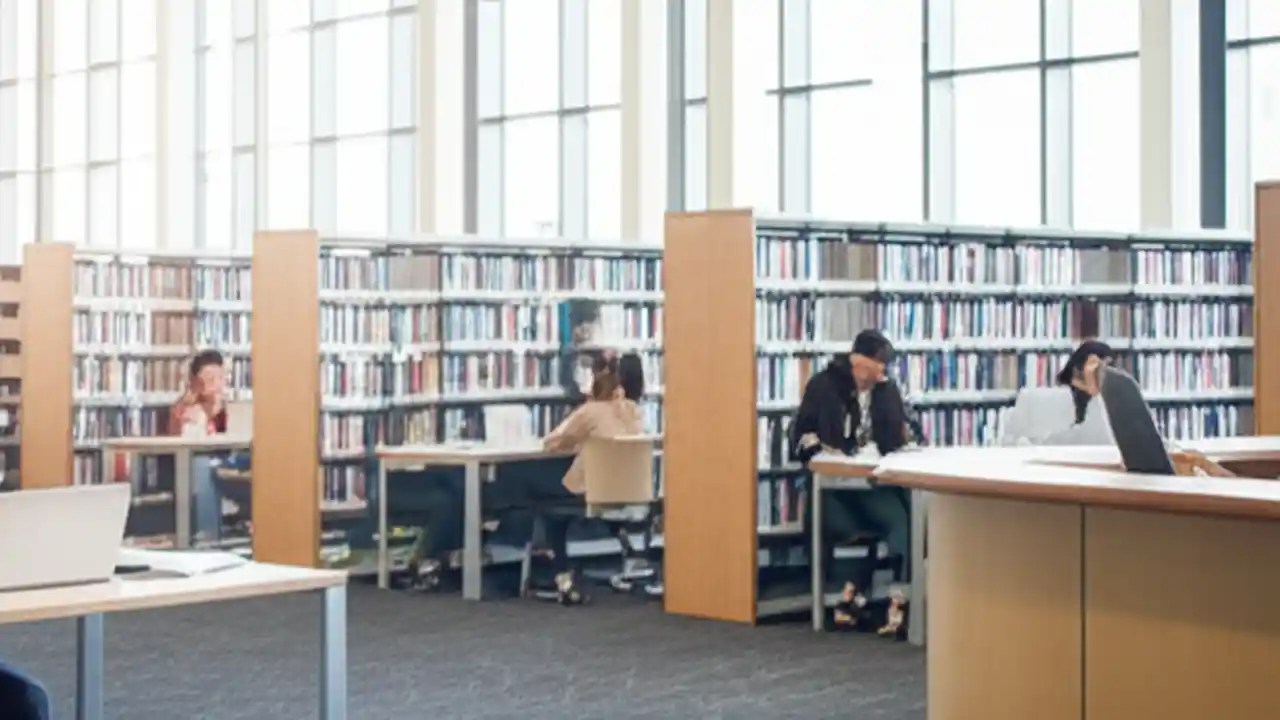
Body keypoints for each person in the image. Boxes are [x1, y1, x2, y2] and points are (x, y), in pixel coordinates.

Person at [789, 330, 913, 581]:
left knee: (903, 519)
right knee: (845, 525)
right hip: (834, 489)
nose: (882, 368)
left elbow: (897, 439)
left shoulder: (886, 390)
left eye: (885, 363)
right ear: (857, 360)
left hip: (873, 485)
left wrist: (891, 408)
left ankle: (900, 596)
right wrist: (823, 454)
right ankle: (854, 591)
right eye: (877, 361)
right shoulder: (823, 386)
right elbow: (802, 436)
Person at [534, 368, 645, 604]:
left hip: (594, 491)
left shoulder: (589, 412)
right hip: (628, 490)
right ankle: (628, 547)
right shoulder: (633, 411)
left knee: (547, 506)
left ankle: (561, 573)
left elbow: (553, 442)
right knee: (596, 502)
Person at [1000, 340, 1114, 446]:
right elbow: (1009, 444)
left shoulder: (1111, 406)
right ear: (1076, 369)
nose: (1098, 373)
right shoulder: (1036, 400)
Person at [166, 350, 228, 542]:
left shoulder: (228, 407)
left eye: (220, 378)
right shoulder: (185, 409)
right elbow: (181, 439)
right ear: (196, 383)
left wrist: (220, 411)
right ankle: (208, 535)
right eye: (209, 379)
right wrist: (198, 414)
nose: (216, 384)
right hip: (192, 460)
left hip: (228, 458)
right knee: (202, 465)